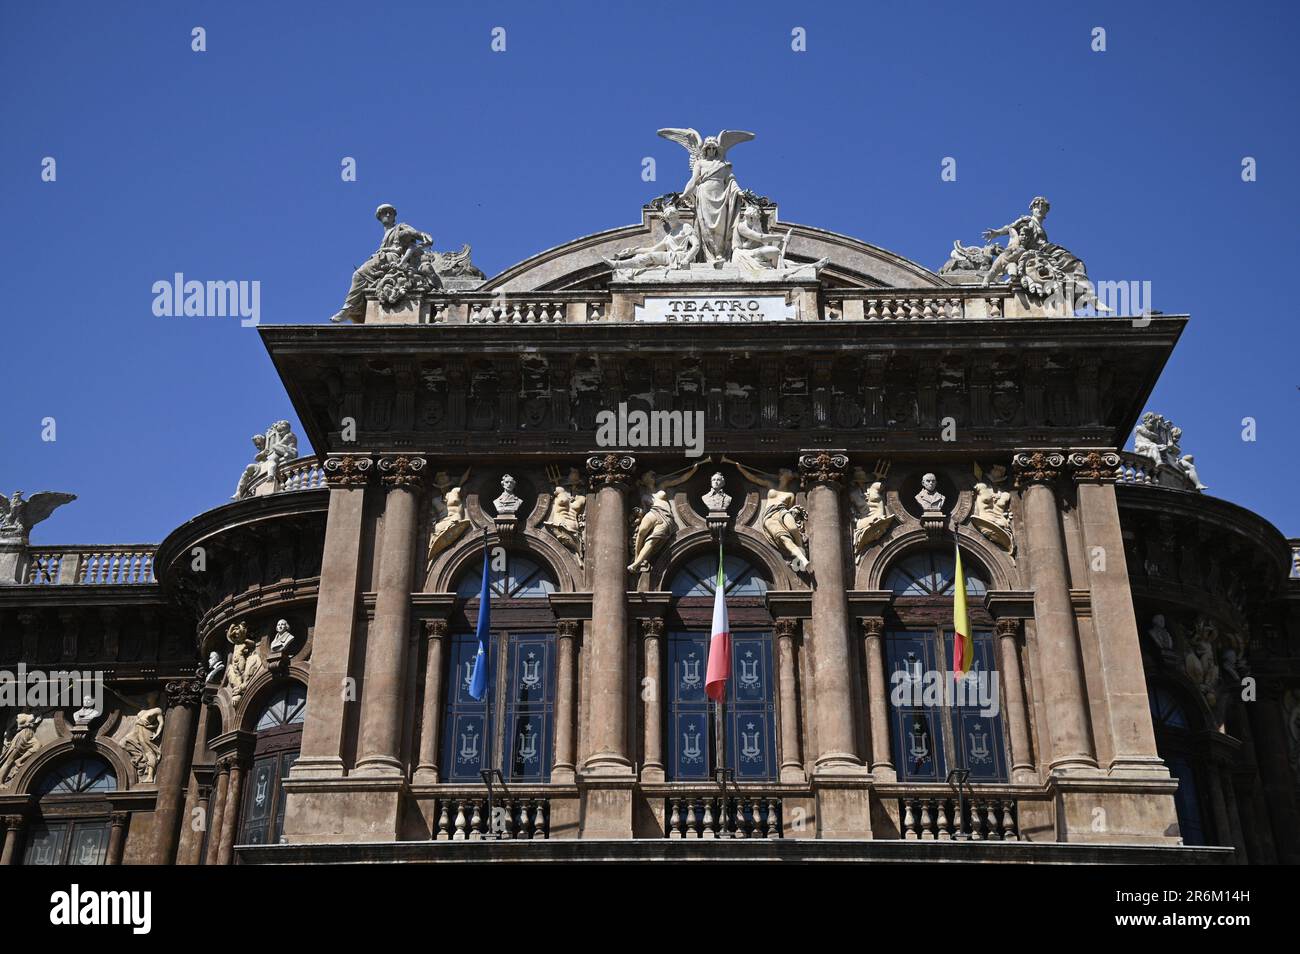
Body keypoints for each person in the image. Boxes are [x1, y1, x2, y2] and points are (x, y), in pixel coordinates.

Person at [331, 204, 433, 323]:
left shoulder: (400, 227)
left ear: (394, 216)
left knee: (358, 275)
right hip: (381, 258)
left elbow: (416, 235)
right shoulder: (387, 232)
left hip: (390, 258)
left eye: (390, 212)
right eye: (385, 212)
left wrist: (423, 236)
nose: (388, 214)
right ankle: (353, 307)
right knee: (359, 276)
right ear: (380, 217)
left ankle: (348, 309)